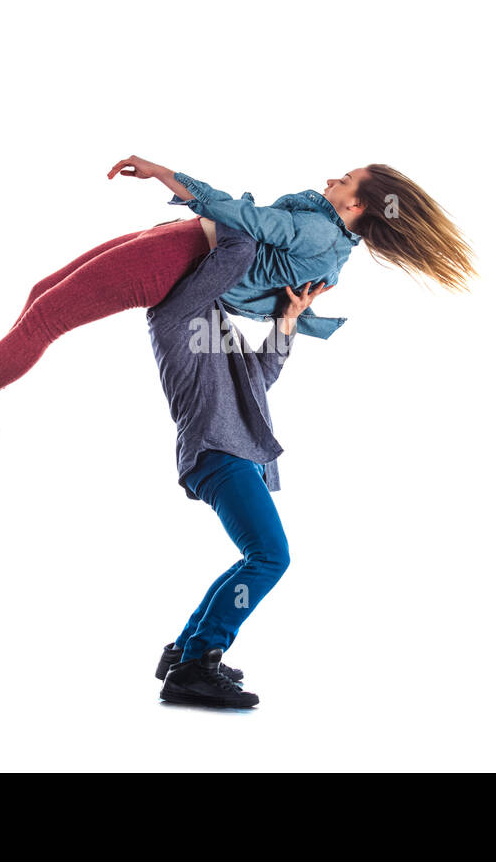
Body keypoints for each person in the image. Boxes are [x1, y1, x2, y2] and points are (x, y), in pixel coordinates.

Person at [0, 156, 475, 445]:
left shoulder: (321, 233)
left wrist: (168, 174)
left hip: (176, 259)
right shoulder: (325, 223)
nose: (329, 180)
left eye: (343, 182)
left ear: (357, 207)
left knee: (46, 320)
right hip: (178, 240)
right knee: (40, 295)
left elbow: (243, 217)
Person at [145, 217, 330, 708]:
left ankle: (187, 650)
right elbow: (232, 254)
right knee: (270, 558)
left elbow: (259, 377)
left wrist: (287, 319)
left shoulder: (211, 321)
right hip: (217, 452)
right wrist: (225, 217)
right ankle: (197, 660)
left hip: (233, 454)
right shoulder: (175, 313)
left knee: (257, 558)